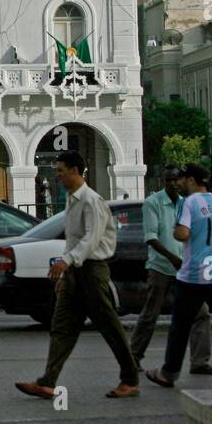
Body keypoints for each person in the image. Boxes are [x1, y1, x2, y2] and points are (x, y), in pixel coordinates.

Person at [16, 150, 140, 400]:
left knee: (110, 327)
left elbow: (90, 240)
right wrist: (67, 273)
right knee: (62, 327)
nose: (57, 175)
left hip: (93, 272)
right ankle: (47, 381)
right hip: (76, 272)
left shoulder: (91, 201)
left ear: (74, 171)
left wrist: (66, 262)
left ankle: (130, 378)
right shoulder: (72, 199)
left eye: (61, 170)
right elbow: (73, 240)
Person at [145, 163, 212, 391]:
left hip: (193, 275)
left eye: (182, 179)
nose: (179, 183)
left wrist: (177, 232)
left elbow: (183, 233)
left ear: (190, 180)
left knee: (180, 326)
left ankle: (169, 373)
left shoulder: (189, 203)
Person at [128, 166, 212, 374]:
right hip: (161, 267)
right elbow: (151, 237)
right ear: (163, 181)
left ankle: (199, 361)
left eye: (176, 180)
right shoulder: (153, 203)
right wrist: (173, 259)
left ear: (182, 180)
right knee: (150, 315)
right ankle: (133, 357)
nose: (173, 184)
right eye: (168, 180)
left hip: (186, 268)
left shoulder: (188, 203)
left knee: (201, 313)